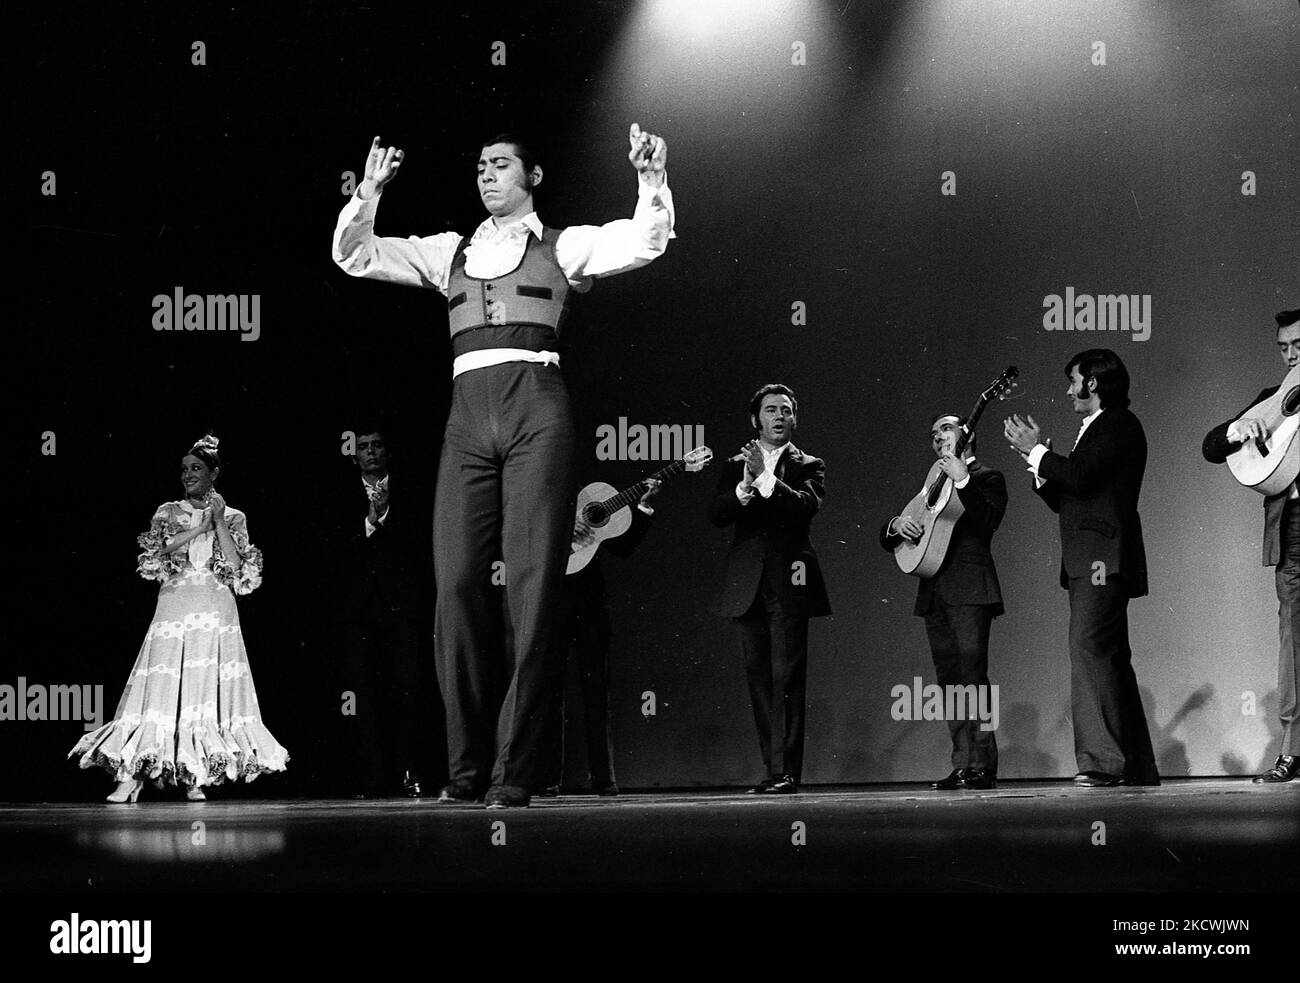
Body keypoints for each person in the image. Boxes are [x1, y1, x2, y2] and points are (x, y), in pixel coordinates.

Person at [332, 126, 674, 808]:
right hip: (467, 417)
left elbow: (644, 240)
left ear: (532, 175)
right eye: (480, 165)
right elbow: (355, 255)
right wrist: (367, 193)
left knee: (531, 588)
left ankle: (512, 772)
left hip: (535, 411)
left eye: (500, 164)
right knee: (455, 585)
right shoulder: (448, 252)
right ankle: (463, 771)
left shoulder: (562, 246)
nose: (485, 175)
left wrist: (651, 179)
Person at [69, 435, 289, 802]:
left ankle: (194, 773)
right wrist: (198, 528)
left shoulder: (234, 516)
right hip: (176, 603)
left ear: (214, 473)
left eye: (196, 469)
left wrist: (216, 520)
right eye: (184, 469)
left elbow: (238, 567)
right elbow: (154, 552)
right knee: (159, 688)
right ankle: (132, 775)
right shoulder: (167, 511)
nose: (188, 475)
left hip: (216, 606)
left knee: (201, 687)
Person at [1004, 350, 1159, 787]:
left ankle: (1102, 763)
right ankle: (1136, 765)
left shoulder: (1118, 423)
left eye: (1073, 380)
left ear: (1092, 382)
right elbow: (1070, 494)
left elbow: (1083, 477)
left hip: (1101, 559)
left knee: (1089, 652)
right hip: (1091, 558)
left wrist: (1036, 451)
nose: (1069, 389)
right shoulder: (1092, 429)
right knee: (1109, 658)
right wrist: (1041, 465)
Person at [707, 384, 831, 794]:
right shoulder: (736, 464)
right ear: (755, 419)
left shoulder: (810, 464)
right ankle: (771, 769)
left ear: (795, 419)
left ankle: (786, 772)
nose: (779, 416)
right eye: (771, 410)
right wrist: (744, 486)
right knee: (759, 679)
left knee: (788, 678)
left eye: (786, 410)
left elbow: (803, 508)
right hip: (747, 585)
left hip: (790, 583)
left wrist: (764, 477)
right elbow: (716, 514)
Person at [881, 415, 1006, 790]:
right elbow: (905, 525)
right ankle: (963, 762)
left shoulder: (986, 477)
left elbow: (986, 522)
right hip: (934, 590)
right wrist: (895, 526)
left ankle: (983, 762)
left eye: (945, 430)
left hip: (971, 590)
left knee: (974, 679)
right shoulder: (931, 485)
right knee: (949, 684)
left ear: (968, 435)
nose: (937, 438)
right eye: (933, 433)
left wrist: (963, 479)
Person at [1202, 308, 1300, 784]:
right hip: (1293, 527)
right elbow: (1211, 445)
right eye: (1283, 347)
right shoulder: (1275, 396)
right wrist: (1242, 429)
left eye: (1298, 344)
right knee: (1293, 639)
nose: (1291, 354)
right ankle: (1294, 749)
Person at [324, 426, 441, 797]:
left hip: (403, 609)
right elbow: (330, 547)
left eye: (377, 445)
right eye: (364, 448)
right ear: (354, 455)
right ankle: (371, 776)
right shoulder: (341, 496)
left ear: (387, 452)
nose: (371, 452)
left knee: (408, 692)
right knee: (361, 696)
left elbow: (425, 544)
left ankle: (410, 770)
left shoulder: (414, 494)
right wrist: (371, 521)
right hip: (356, 612)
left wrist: (388, 513)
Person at [539, 478, 661, 798]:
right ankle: (548, 776)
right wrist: (563, 532)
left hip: (591, 603)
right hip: (552, 599)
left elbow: (622, 546)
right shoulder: (542, 492)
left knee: (597, 691)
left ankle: (604, 779)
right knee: (550, 692)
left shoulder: (593, 494)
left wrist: (644, 505)